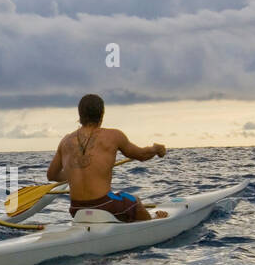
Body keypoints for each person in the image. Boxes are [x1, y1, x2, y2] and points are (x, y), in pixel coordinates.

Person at [46, 94, 167, 222]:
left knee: (119, 198)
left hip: (76, 208)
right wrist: (156, 149)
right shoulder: (114, 136)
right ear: (102, 114)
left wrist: (73, 173)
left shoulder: (65, 141)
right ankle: (152, 222)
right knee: (134, 200)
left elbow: (52, 175)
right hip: (104, 204)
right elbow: (142, 155)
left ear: (80, 115)